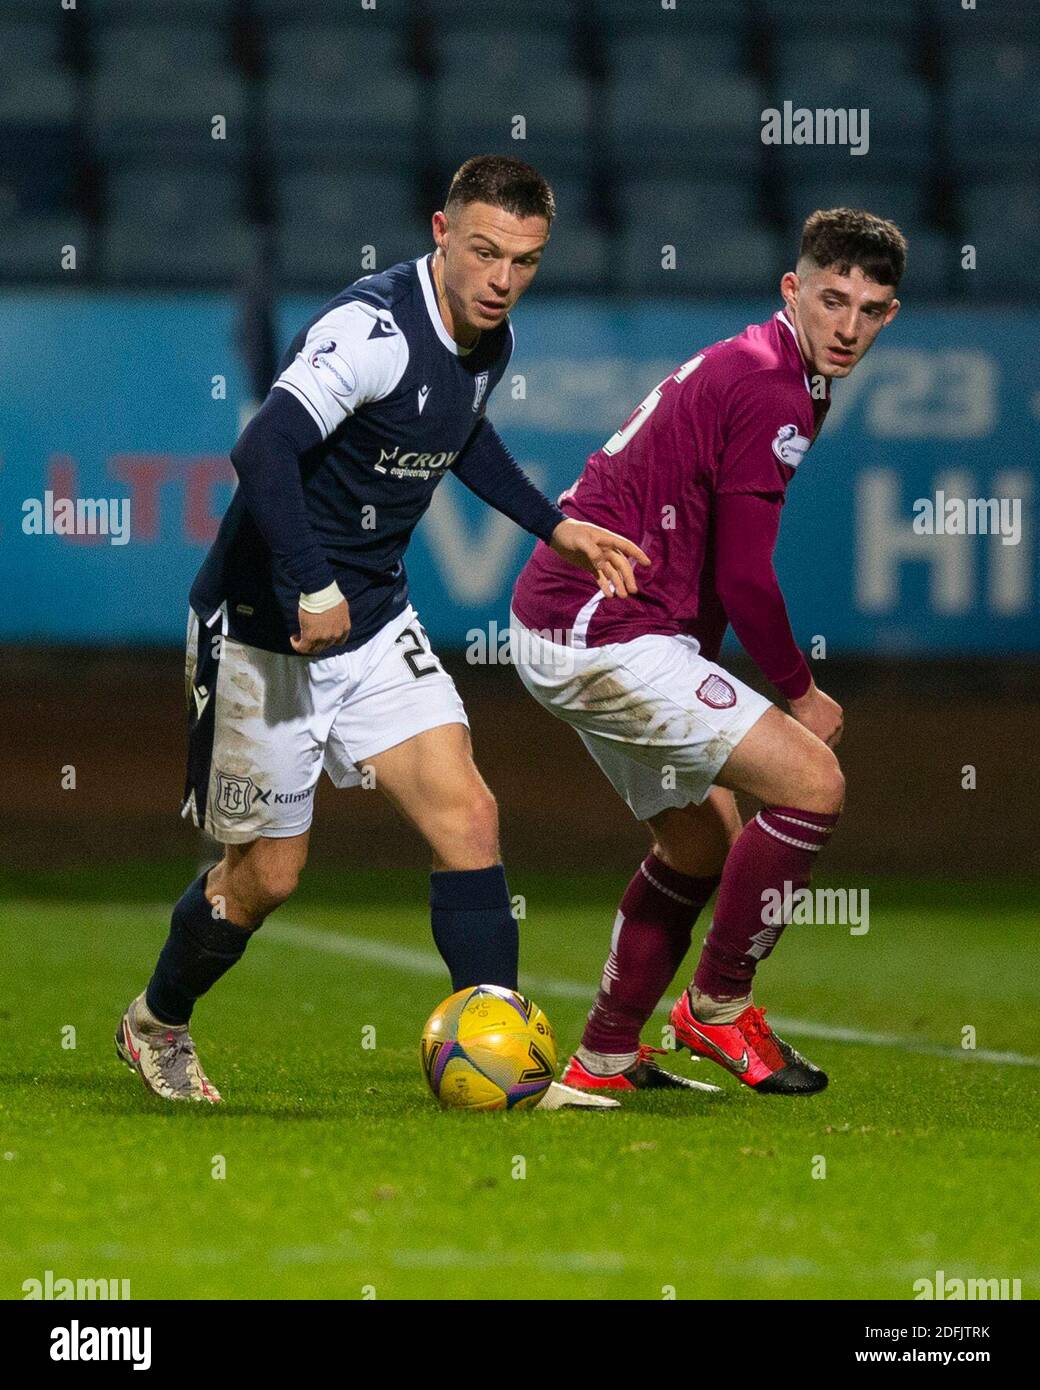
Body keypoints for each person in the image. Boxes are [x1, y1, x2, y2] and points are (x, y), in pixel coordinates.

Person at [115, 155, 648, 1109]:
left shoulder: (488, 336)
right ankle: (156, 1022)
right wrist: (312, 582)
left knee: (468, 814)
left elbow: (462, 432)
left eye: (524, 261)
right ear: (440, 232)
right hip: (267, 630)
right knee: (267, 876)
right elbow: (262, 448)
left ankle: (509, 1062)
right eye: (484, 251)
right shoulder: (371, 331)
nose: (502, 278)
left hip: (373, 622)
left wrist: (554, 525)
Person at [510, 208, 905, 1095]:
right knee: (812, 784)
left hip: (572, 620)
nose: (849, 326)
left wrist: (702, 660)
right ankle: (718, 1005)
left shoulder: (771, 365)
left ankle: (603, 1062)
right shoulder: (774, 385)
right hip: (601, 629)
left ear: (890, 314)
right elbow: (746, 575)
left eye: (871, 309)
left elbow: (716, 559)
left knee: (699, 840)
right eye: (832, 300)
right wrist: (800, 692)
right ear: (792, 290)